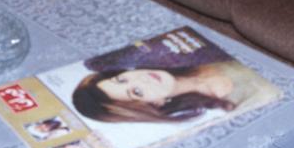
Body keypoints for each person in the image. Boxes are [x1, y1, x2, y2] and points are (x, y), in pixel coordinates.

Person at [71, 60, 277, 124]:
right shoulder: (235, 106)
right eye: (136, 91)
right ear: (157, 104)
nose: (140, 78)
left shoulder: (191, 57)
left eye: (122, 78)